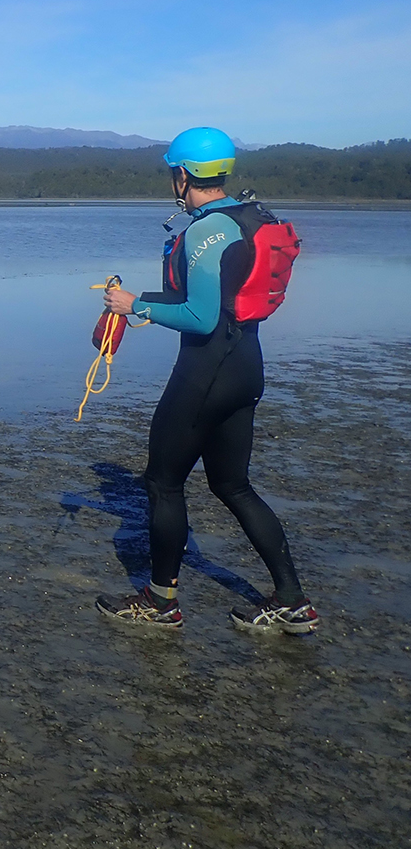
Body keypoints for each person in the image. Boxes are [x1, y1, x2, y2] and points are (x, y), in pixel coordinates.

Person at [95, 127, 318, 634]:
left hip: (204, 375)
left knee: (162, 483)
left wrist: (137, 306)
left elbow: (200, 318)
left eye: (173, 172)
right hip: (245, 368)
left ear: (183, 175)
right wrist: (135, 302)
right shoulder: (249, 218)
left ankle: (160, 604)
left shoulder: (203, 232)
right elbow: (217, 301)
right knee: (233, 485)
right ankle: (293, 602)